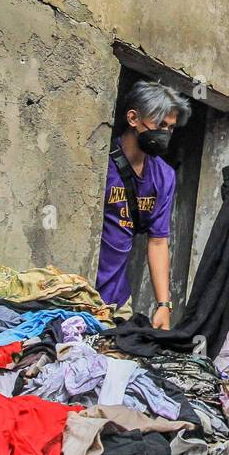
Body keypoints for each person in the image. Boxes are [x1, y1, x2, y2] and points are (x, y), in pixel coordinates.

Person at [96, 81, 192, 328]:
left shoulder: (164, 176)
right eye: (160, 125)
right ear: (133, 118)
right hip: (81, 289)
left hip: (117, 299)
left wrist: (163, 305)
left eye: (170, 128)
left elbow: (158, 240)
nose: (165, 134)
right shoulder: (99, 158)